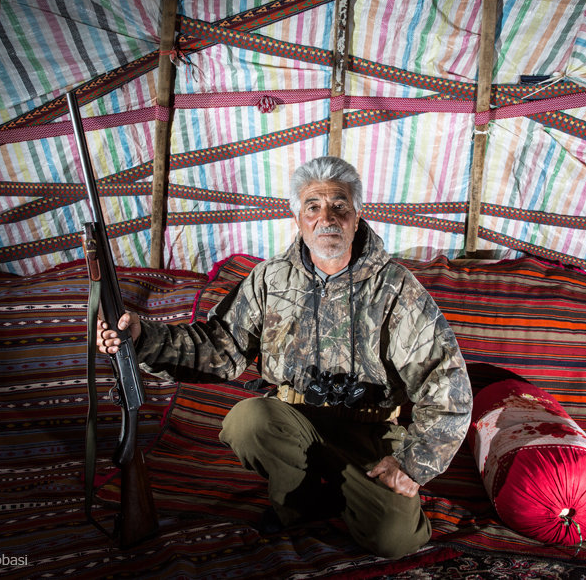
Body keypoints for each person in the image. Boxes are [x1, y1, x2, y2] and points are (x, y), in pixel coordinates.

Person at [97, 156, 472, 559]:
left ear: (357, 216)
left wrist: (413, 465)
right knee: (248, 419)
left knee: (395, 540)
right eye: (313, 206)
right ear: (298, 218)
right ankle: (303, 504)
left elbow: (447, 385)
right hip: (294, 424)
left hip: (371, 435)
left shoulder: (397, 288)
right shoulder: (271, 279)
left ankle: (347, 495)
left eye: (339, 204)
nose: (326, 216)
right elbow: (219, 348)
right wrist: (142, 336)